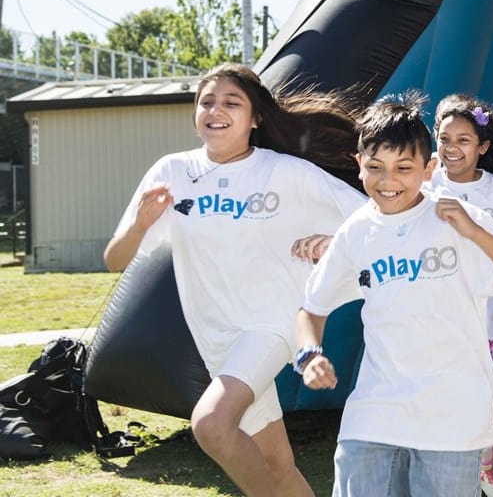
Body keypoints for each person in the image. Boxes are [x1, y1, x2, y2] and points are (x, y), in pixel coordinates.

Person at [104, 63, 368, 497]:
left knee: (211, 424)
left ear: (255, 117)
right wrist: (139, 224)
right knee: (277, 465)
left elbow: (369, 220)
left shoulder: (285, 171)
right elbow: (115, 260)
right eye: (206, 102)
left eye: (231, 102)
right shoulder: (172, 171)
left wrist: (331, 239)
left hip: (271, 325)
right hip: (216, 337)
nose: (215, 110)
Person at [295, 92, 493, 497]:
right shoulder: (357, 231)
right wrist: (308, 355)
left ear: (429, 169)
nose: (388, 181)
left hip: (452, 422)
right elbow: (311, 308)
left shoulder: (460, 217)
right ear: (359, 166)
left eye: (403, 168)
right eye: (376, 167)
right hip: (374, 417)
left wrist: (476, 232)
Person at [430, 93, 493, 497]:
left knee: (466, 390)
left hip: (486, 314)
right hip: (435, 312)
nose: (452, 149)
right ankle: (490, 402)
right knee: (446, 394)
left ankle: (487, 454)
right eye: (444, 139)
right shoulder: (425, 181)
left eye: (463, 140)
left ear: (483, 146)